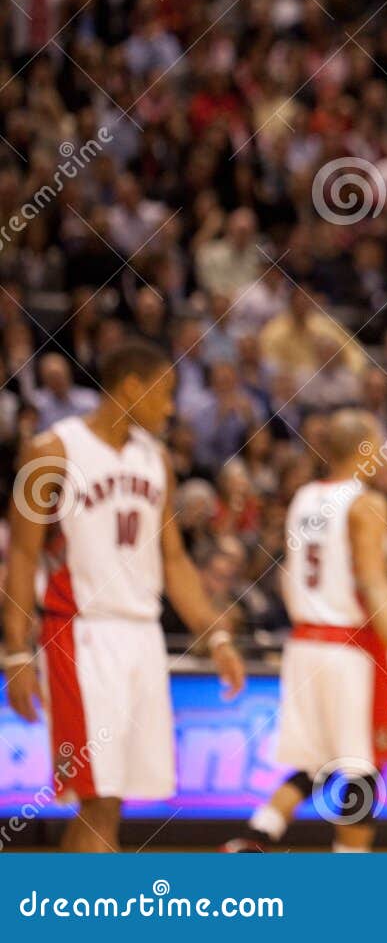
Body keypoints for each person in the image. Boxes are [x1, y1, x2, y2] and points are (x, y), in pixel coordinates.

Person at [3, 339, 246, 852]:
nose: (171, 407)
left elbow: (174, 560)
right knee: (96, 798)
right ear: (133, 388)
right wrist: (16, 649)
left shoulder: (156, 457)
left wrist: (216, 635)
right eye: (165, 393)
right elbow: (23, 555)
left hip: (143, 635)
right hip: (81, 634)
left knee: (114, 800)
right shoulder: (51, 450)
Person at [222, 410, 387, 853]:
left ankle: (255, 837)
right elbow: (372, 582)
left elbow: (287, 575)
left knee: (316, 760)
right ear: (365, 449)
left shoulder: (303, 497)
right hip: (347, 647)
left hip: (304, 643)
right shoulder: (367, 502)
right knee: (360, 767)